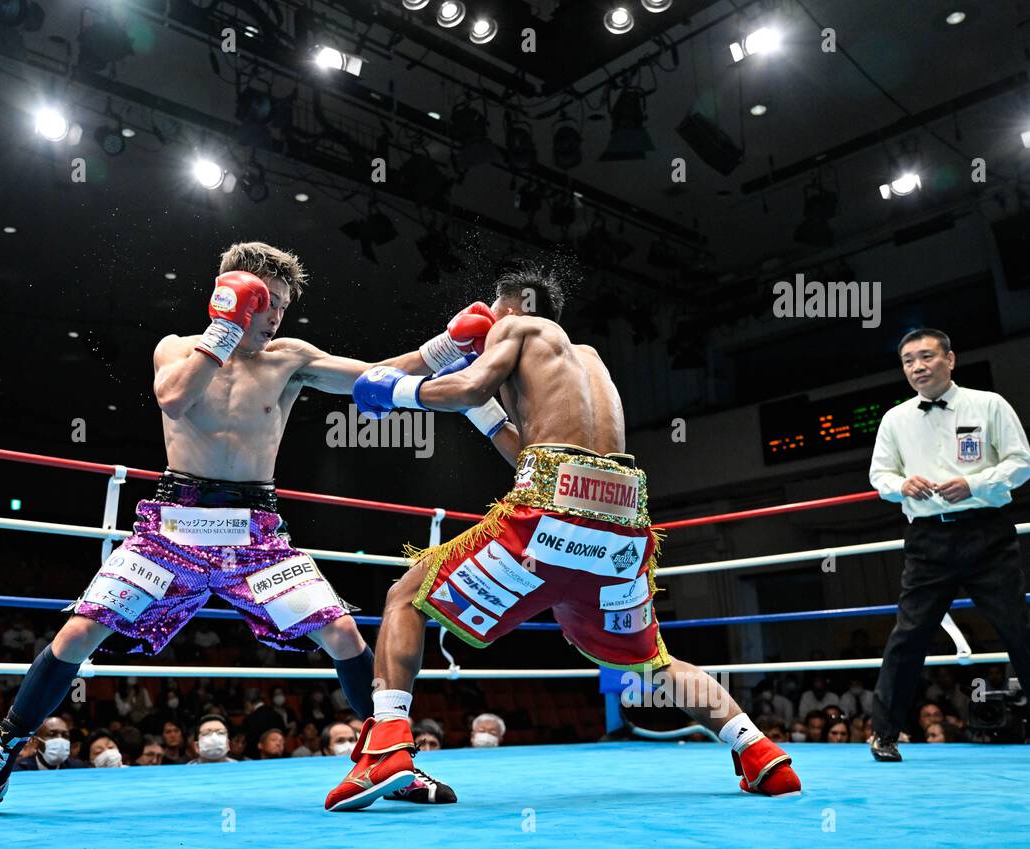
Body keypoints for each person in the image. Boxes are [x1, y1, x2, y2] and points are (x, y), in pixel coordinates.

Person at [0, 240, 452, 817]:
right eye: (266, 302)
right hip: (172, 526)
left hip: (255, 533)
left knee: (344, 636)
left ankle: (389, 759)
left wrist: (449, 347)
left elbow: (375, 378)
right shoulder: (176, 350)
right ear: (231, 295)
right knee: (77, 635)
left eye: (283, 305)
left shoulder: (288, 358)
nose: (276, 316)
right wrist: (223, 331)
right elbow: (175, 400)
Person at [325, 266, 800, 810]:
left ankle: (387, 742)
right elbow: (525, 451)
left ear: (506, 308)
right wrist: (483, 411)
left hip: (551, 514)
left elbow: (469, 387)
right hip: (620, 525)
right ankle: (760, 752)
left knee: (405, 598)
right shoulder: (590, 359)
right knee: (650, 661)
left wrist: (400, 391)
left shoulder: (515, 328)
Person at [867, 328, 1030, 761]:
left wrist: (974, 483)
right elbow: (879, 477)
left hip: (987, 533)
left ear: (950, 359)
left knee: (1020, 628)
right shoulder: (894, 420)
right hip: (928, 540)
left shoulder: (989, 405)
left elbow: (1020, 463)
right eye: (908, 361)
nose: (918, 367)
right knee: (908, 636)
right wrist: (903, 484)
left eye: (926, 357)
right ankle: (884, 733)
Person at [14, 717, 85, 771]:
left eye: (65, 735)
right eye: (52, 735)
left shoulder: (77, 768)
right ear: (36, 742)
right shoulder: (19, 770)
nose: (60, 739)